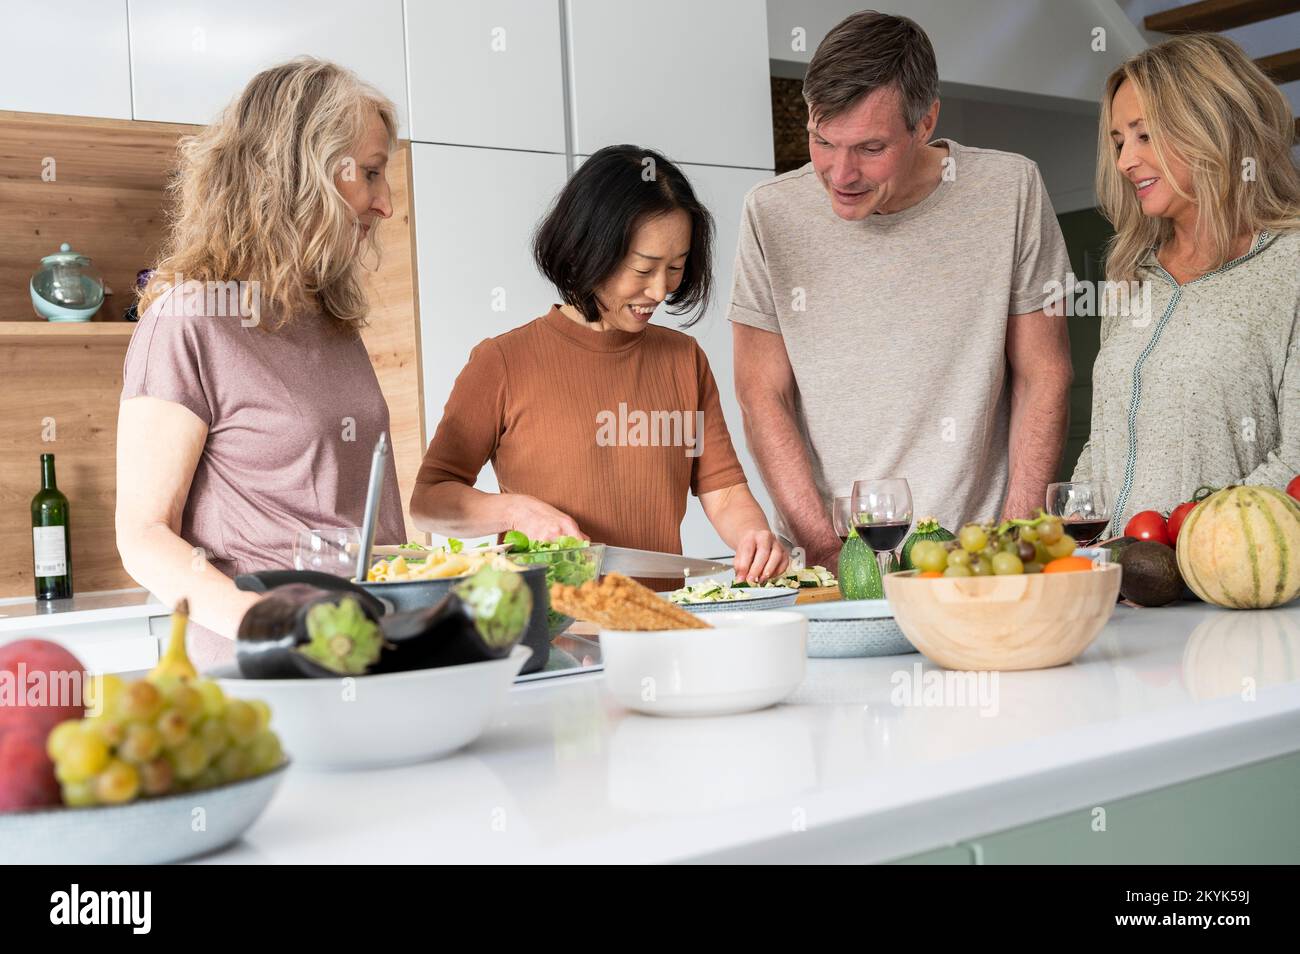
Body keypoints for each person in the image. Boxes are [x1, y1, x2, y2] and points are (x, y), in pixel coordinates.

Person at [730, 10, 1073, 571]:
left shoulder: (1010, 190)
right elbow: (760, 395)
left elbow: (1045, 372)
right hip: (833, 559)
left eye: (869, 148)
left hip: (975, 558)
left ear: (924, 122)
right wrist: (824, 548)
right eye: (822, 141)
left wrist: (1015, 537)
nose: (840, 174)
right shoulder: (771, 214)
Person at [116, 58, 405, 663]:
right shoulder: (189, 319)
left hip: (366, 645)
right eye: (372, 174)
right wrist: (268, 625)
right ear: (305, 172)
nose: (386, 203)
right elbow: (143, 536)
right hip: (262, 665)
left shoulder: (329, 319)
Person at [411, 145, 788, 584]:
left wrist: (754, 537)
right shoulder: (502, 362)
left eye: (676, 268)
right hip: (549, 629)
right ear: (590, 249)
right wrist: (514, 512)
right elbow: (429, 500)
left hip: (660, 623)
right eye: (643, 269)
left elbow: (722, 493)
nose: (660, 291)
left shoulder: (684, 360)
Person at [1073, 33, 1300, 532]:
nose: (1125, 160)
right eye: (1118, 141)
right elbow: (1102, 440)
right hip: (1120, 585)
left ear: (1212, 126)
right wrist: (1076, 530)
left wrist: (1182, 543)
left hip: (1228, 585)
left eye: (1144, 135)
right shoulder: (1129, 274)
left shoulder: (1291, 266)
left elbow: (1296, 463)